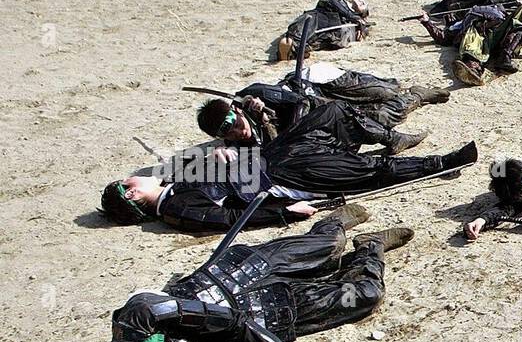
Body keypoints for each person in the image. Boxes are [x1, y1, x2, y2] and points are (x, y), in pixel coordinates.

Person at [102, 205, 410, 342]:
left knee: (327, 245)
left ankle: (333, 224)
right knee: (365, 295)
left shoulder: (139, 315)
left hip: (238, 274)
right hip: (269, 313)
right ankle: (370, 248)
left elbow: (230, 324)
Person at [100, 102, 477, 231]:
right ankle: (441, 163)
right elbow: (232, 218)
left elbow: (191, 160)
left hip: (271, 155)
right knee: (367, 170)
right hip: (280, 179)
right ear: (133, 193)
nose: (136, 175)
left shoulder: (170, 182)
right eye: (128, 180)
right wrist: (284, 213)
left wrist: (214, 158)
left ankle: (388, 135)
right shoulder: (177, 209)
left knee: (330, 113)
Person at [209, 63, 449, 145]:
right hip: (326, 115)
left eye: (232, 123)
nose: (236, 132)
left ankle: (400, 89)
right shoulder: (245, 144)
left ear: (236, 109)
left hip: (317, 83)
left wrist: (288, 134)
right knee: (385, 117)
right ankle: (417, 95)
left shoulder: (254, 95)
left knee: (385, 90)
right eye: (227, 133)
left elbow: (300, 102)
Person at [418, 2, 522, 87]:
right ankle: (472, 69)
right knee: (472, 30)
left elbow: (513, 15)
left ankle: (505, 57)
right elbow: (443, 38)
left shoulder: (499, 8)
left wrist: (520, 4)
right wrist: (427, 22)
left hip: (502, 38)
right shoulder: (461, 24)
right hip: (480, 44)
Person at [277, 0, 371, 61]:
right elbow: (327, 0)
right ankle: (292, 46)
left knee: (318, 38)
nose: (363, 2)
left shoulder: (358, 23)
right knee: (305, 24)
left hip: (332, 32)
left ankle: (294, 50)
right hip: (319, 17)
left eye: (364, 6)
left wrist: (361, 28)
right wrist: (352, 16)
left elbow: (364, 29)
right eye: (362, 0)